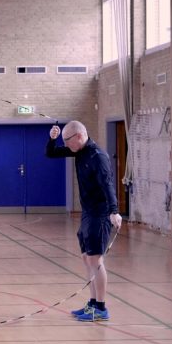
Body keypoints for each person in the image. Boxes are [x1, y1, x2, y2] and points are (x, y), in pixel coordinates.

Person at [46, 121, 122, 322]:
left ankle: (101, 308)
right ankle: (93, 303)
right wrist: (52, 139)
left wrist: (114, 211)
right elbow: (51, 153)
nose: (65, 144)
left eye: (67, 140)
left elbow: (107, 185)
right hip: (88, 213)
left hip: (101, 213)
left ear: (79, 136)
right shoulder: (79, 151)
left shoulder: (98, 157)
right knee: (87, 259)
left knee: (96, 260)